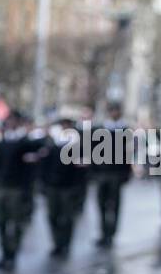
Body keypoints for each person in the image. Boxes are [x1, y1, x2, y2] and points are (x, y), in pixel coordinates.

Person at [0, 112, 44, 270]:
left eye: (12, 120)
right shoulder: (3, 142)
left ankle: (12, 254)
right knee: (1, 223)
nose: (9, 123)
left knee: (16, 223)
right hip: (2, 187)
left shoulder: (26, 142)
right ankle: (4, 253)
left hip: (17, 189)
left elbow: (40, 150)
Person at [40, 117, 88, 257]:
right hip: (53, 186)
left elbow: (82, 170)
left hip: (69, 187)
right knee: (53, 216)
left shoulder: (77, 147)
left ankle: (65, 243)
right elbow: (45, 165)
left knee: (67, 218)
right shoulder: (53, 144)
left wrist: (79, 189)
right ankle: (57, 243)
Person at [92, 104, 132, 248]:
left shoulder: (126, 130)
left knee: (114, 205)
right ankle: (103, 232)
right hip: (103, 173)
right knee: (101, 204)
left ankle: (111, 233)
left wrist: (126, 174)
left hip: (117, 173)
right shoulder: (100, 130)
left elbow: (129, 155)